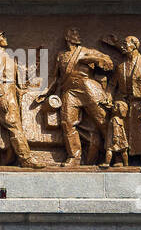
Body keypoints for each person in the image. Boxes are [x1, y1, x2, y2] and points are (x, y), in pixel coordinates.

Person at [40, 27, 112, 167]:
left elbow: (109, 63)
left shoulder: (86, 51)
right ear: (67, 38)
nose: (77, 36)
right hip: (70, 91)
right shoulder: (61, 55)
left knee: (103, 122)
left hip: (88, 88)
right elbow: (55, 77)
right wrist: (45, 92)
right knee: (67, 123)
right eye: (74, 34)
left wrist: (93, 59)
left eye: (78, 33)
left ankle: (114, 154)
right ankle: (75, 156)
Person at [0, 31, 42, 168]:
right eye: (2, 37)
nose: (6, 38)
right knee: (13, 125)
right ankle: (25, 158)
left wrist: (37, 60)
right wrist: (0, 97)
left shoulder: (7, 56)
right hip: (3, 92)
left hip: (9, 91)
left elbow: (21, 74)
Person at [114, 35, 141, 169]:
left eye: (125, 43)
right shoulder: (121, 66)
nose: (123, 46)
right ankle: (121, 156)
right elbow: (112, 84)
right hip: (126, 103)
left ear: (135, 46)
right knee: (123, 130)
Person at [100, 99, 129, 168]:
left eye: (114, 107)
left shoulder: (114, 119)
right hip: (122, 138)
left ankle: (107, 163)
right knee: (123, 150)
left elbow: (115, 128)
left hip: (114, 137)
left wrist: (115, 136)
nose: (113, 108)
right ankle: (126, 163)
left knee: (109, 149)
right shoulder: (121, 119)